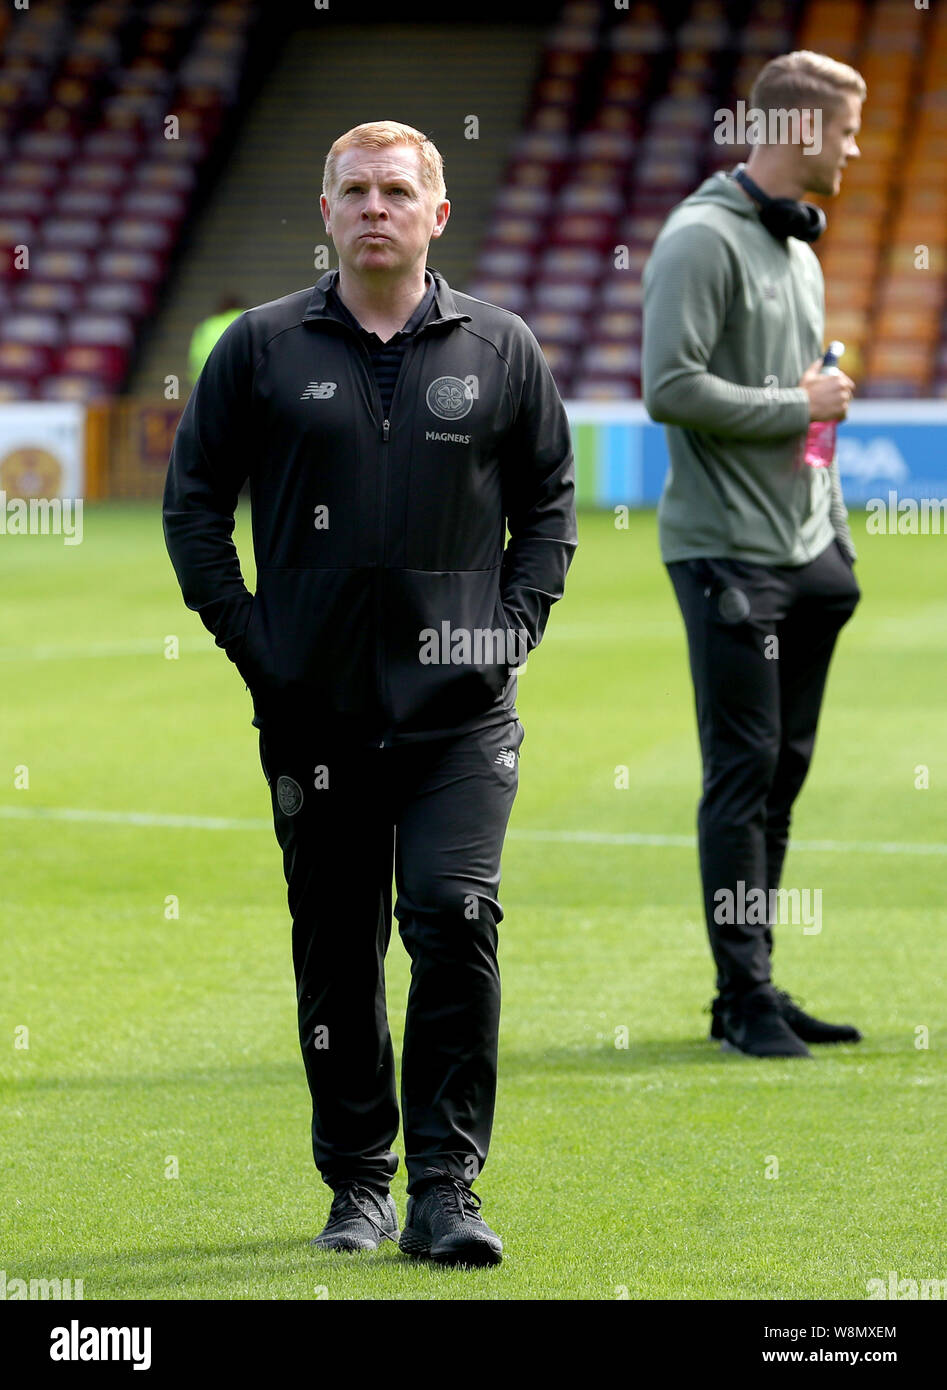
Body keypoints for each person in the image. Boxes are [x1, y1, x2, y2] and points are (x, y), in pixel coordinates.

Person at [162, 121, 576, 1264]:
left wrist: (509, 631)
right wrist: (260, 646)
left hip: (459, 715)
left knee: (450, 917)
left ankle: (447, 1187)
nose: (375, 206)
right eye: (355, 189)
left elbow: (547, 506)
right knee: (335, 945)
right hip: (315, 714)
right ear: (327, 212)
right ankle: (358, 1185)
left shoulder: (500, 347)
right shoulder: (256, 347)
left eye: (399, 189)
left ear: (437, 214)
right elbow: (194, 508)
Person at [642, 52, 866, 1058]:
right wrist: (796, 404)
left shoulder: (800, 252)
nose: (855, 147)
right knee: (741, 774)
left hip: (805, 552)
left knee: (783, 771)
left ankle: (760, 981)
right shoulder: (697, 239)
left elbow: (804, 408)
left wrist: (834, 532)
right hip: (726, 557)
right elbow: (667, 387)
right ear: (798, 130)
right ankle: (739, 1000)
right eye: (844, 128)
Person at [187, 293, 246, 384]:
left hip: (206, 380)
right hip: (237, 380)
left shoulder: (207, 325)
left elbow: (195, 355)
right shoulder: (246, 321)